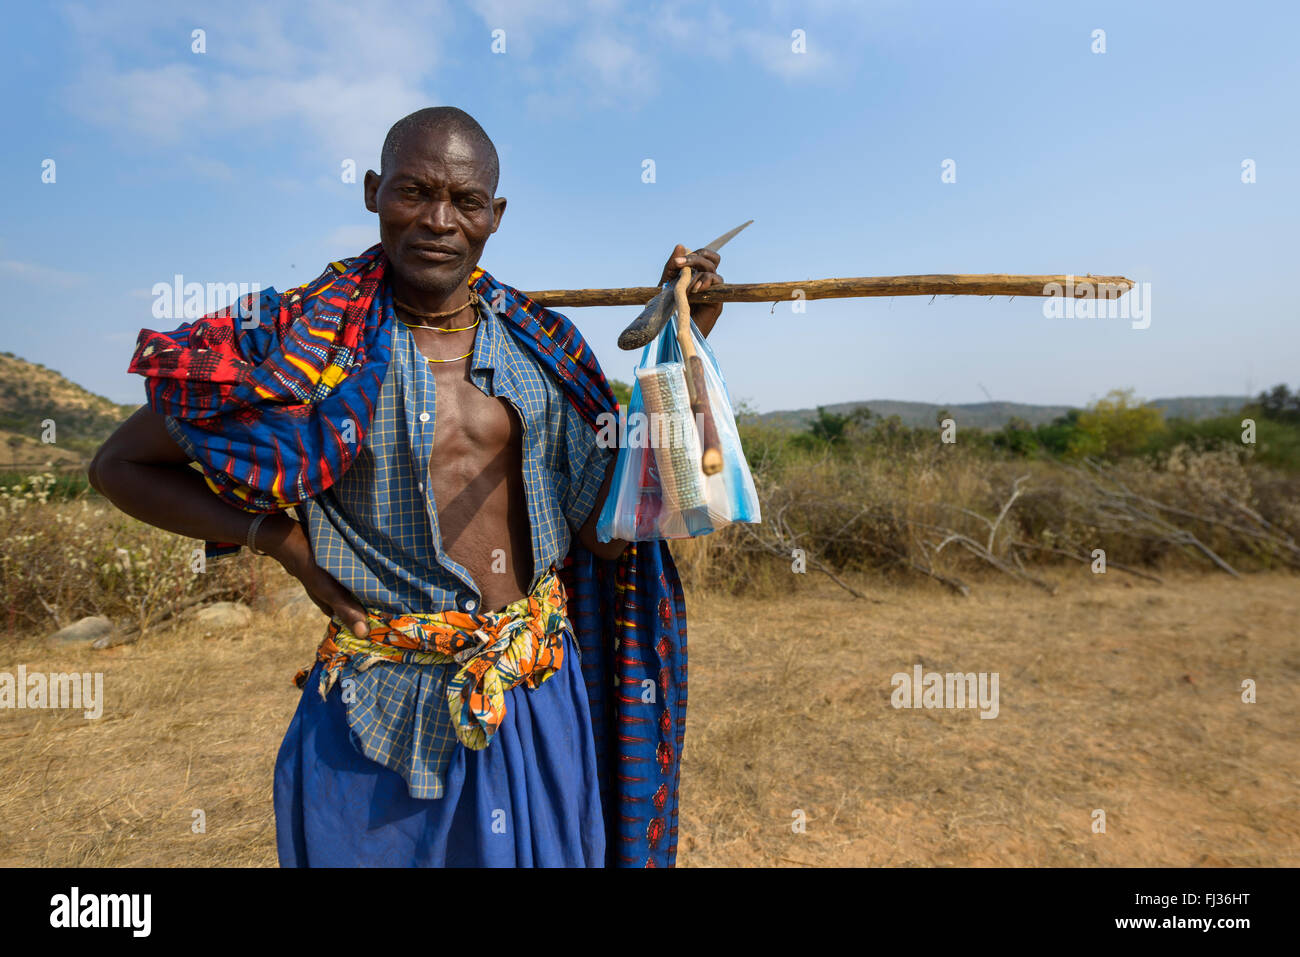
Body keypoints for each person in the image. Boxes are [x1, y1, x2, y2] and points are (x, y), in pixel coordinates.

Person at [89, 106, 725, 867]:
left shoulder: (539, 349)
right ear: (371, 193)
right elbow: (118, 465)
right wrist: (284, 543)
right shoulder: (303, 351)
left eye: (466, 201)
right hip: (374, 716)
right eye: (413, 192)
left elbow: (601, 532)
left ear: (496, 215)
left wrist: (678, 343)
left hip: (529, 699)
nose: (439, 221)